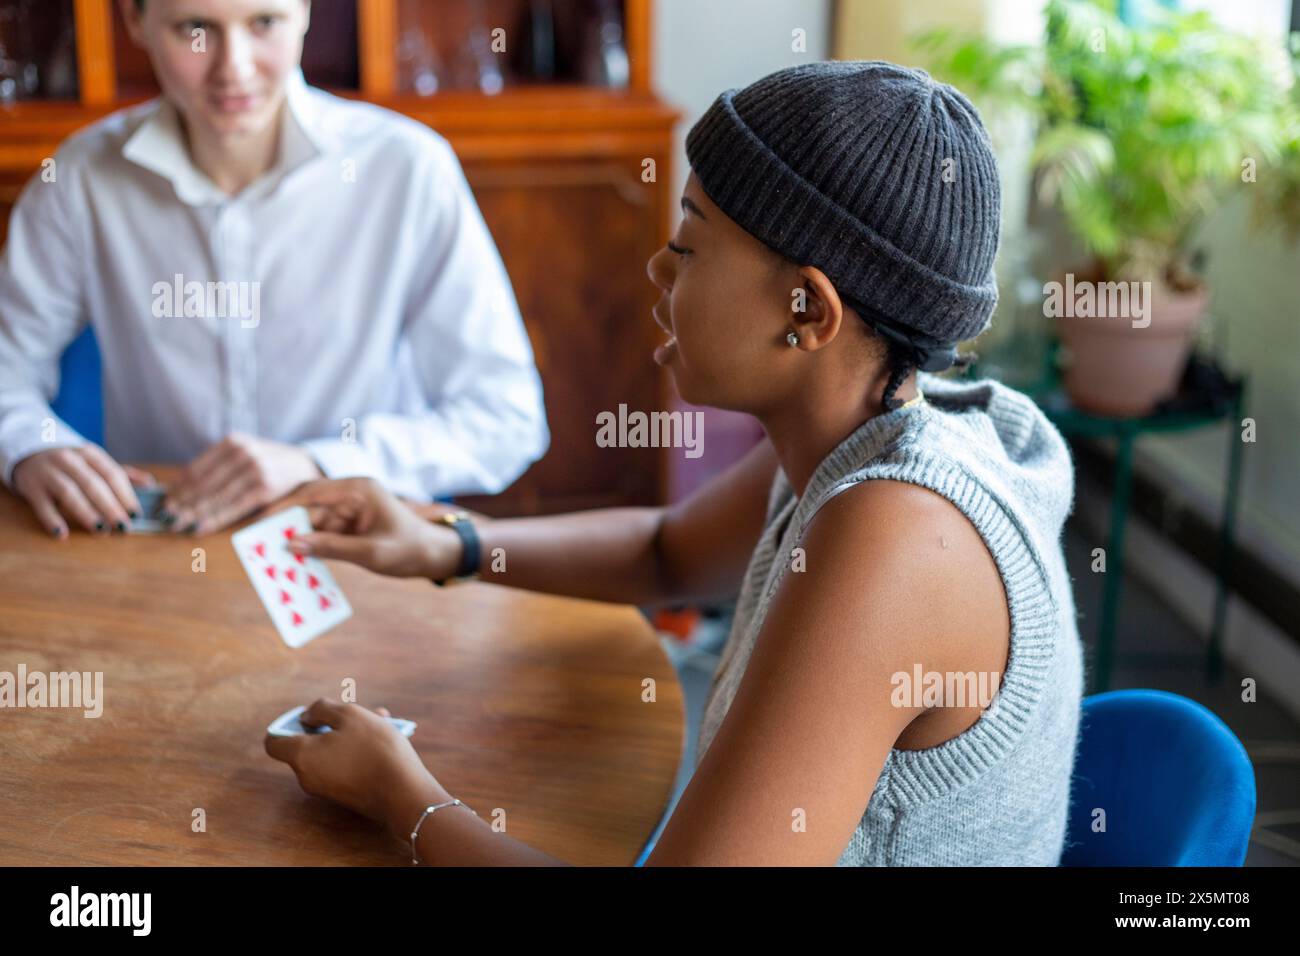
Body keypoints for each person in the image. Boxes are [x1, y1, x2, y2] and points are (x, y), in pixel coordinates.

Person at [264, 61, 1085, 866]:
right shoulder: (883, 422)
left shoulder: (899, 536)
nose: (658, 266)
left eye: (689, 243)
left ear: (809, 309)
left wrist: (401, 798)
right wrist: (451, 542)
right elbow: (669, 551)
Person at [0, 0, 547, 538]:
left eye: (264, 23)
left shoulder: (407, 169)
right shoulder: (79, 178)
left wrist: (317, 462)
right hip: (160, 549)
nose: (233, 69)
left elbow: (505, 418)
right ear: (135, 21)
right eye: (195, 28)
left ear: (306, 12)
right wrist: (31, 446)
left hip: (358, 547)